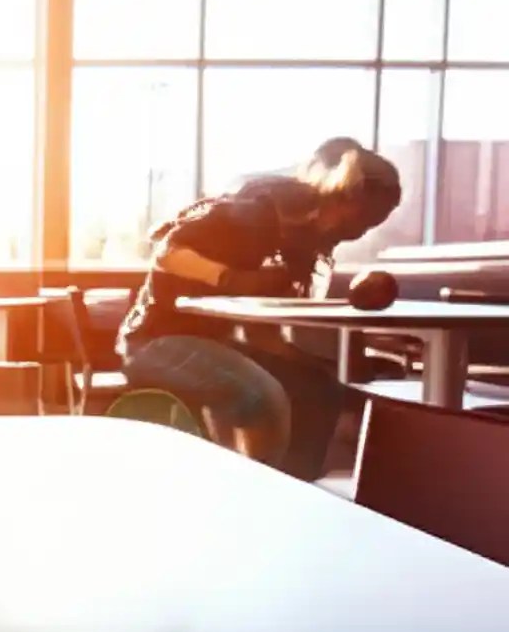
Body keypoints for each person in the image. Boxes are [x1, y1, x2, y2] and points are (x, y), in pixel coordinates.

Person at [117, 138, 402, 479]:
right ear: (346, 198)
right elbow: (167, 252)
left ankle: (298, 487)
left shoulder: (303, 240)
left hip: (214, 342)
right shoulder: (260, 209)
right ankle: (261, 489)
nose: (360, 232)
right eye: (365, 219)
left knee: (317, 389)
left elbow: (259, 331)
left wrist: (315, 367)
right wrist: (230, 279)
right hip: (153, 341)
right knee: (259, 397)